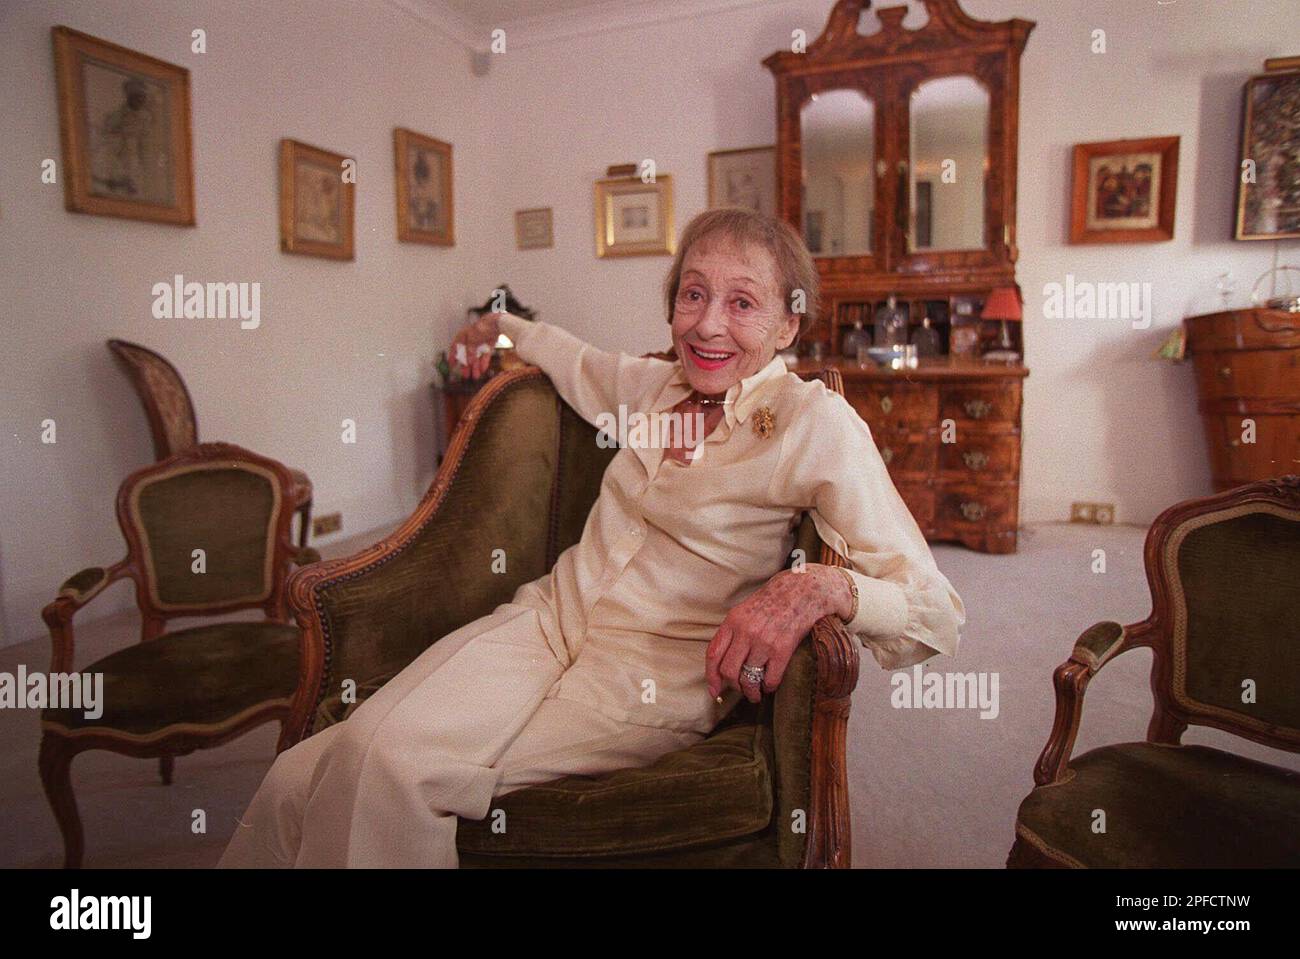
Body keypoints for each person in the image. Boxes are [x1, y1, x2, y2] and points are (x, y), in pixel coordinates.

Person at [217, 207, 964, 868]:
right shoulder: (654, 387)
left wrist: (820, 585)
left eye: (742, 303)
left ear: (787, 325)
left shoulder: (814, 423)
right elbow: (570, 356)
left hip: (647, 677)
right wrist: (498, 327)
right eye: (693, 294)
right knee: (298, 773)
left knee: (395, 769)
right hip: (544, 621)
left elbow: (936, 611)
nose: (707, 324)